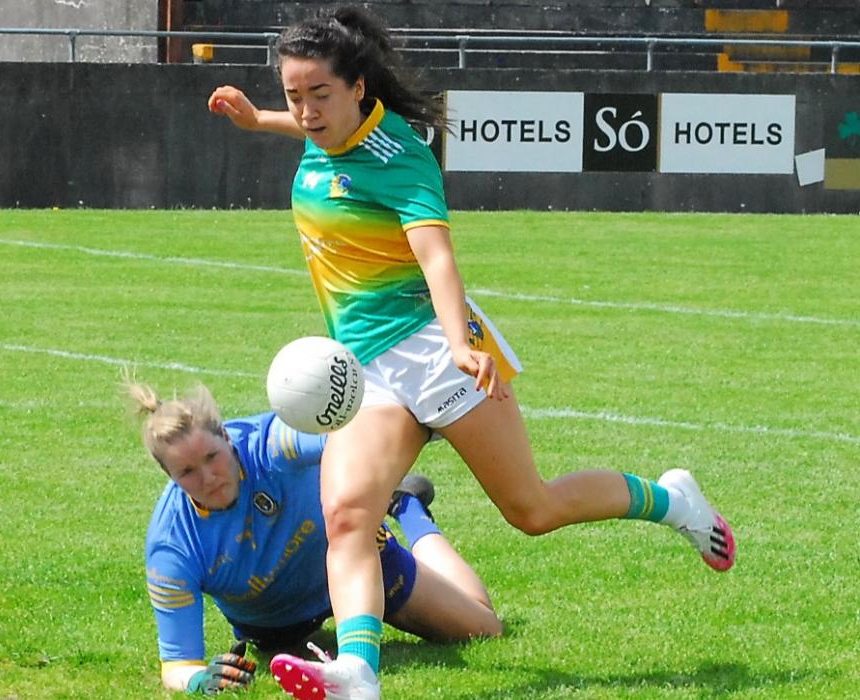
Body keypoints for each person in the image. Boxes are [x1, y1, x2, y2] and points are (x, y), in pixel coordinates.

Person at [207, 6, 735, 699]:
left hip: (439, 354)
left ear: (359, 87)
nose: (303, 111)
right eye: (293, 95)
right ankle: (358, 673)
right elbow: (314, 139)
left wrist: (461, 342)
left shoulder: (402, 160)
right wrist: (257, 121)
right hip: (366, 375)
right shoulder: (319, 134)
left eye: (318, 95)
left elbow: (439, 261)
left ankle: (675, 503)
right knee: (348, 515)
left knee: (532, 510)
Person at [129, 380, 502, 695]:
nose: (208, 476)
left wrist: (411, 432)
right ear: (170, 477)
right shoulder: (172, 545)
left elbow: (351, 439)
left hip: (358, 567)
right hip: (276, 626)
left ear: (227, 438)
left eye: (213, 456)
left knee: (483, 629)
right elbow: (177, 663)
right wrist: (198, 680)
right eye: (188, 472)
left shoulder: (271, 444)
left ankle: (408, 509)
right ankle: (404, 505)